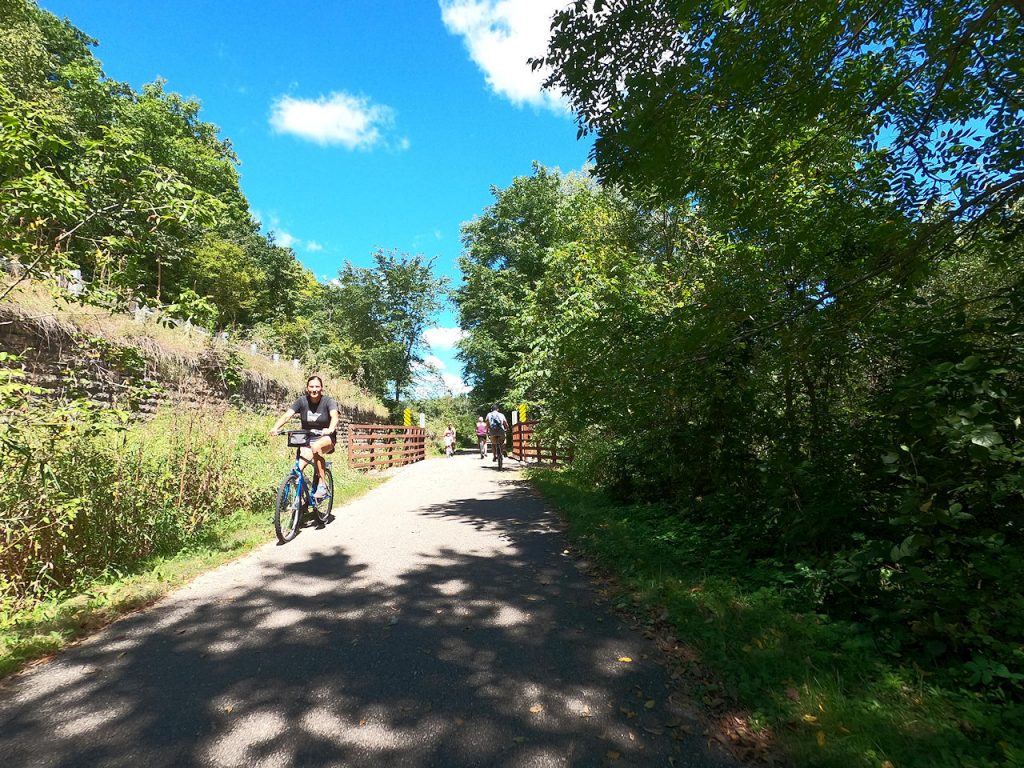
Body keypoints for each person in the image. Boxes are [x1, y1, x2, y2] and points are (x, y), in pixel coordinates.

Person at [269, 375, 340, 499]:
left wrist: (330, 429)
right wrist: (275, 428)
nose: (314, 389)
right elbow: (287, 416)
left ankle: (322, 485)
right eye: (311, 387)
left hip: (326, 437)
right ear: (307, 388)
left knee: (316, 447)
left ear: (321, 388)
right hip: (307, 439)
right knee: (297, 470)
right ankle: (300, 501)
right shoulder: (302, 401)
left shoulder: (328, 402)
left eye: (317, 386)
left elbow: (334, 416)